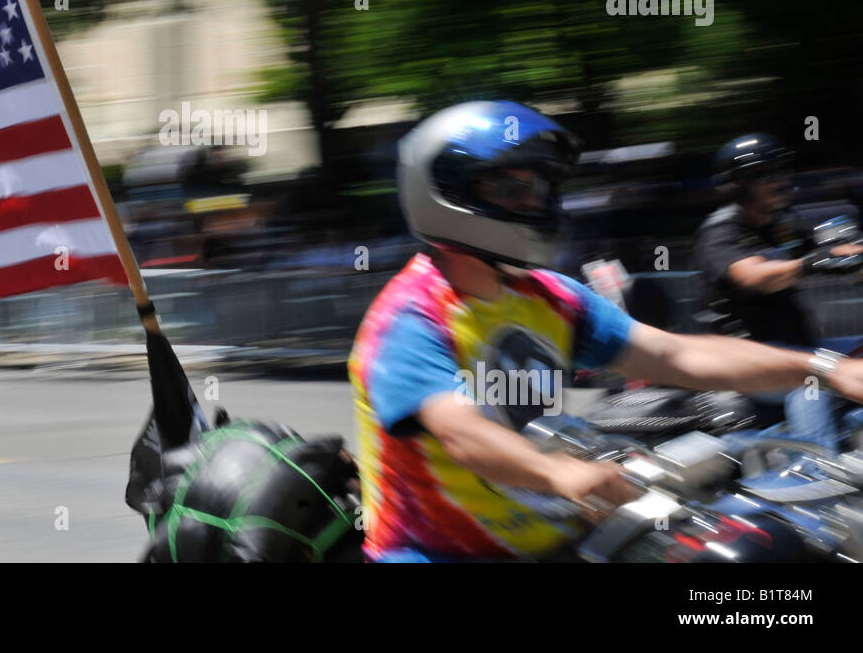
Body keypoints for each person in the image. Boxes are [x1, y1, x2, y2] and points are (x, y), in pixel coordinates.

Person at [348, 101, 863, 562]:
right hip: (436, 553)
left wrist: (822, 368)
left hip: (557, 535)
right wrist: (559, 474)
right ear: (448, 192)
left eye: (541, 187)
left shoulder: (548, 295)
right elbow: (462, 433)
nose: (537, 202)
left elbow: (674, 355)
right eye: (513, 187)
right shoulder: (409, 318)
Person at [690, 134, 863, 448]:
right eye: (764, 175)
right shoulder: (720, 232)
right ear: (737, 185)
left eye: (781, 171)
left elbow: (836, 250)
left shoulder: (778, 225)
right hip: (745, 360)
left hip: (793, 347)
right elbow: (751, 275)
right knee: (816, 379)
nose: (779, 181)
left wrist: (852, 256)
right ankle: (815, 474)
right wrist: (810, 264)